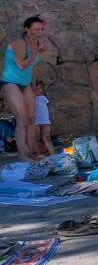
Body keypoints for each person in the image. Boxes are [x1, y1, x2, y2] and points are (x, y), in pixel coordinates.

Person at [2, 16, 47, 162]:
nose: (39, 32)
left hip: (25, 84)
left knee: (31, 118)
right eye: (36, 29)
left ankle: (31, 151)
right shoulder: (19, 43)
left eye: (41, 29)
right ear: (27, 30)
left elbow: (32, 67)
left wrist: (33, 87)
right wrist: (35, 51)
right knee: (21, 119)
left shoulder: (35, 43)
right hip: (10, 82)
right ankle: (22, 155)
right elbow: (21, 65)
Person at [31, 79, 54, 156]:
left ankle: (53, 154)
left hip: (45, 121)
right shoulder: (31, 98)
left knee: (47, 138)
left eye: (41, 88)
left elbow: (47, 108)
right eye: (37, 88)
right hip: (36, 121)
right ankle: (39, 154)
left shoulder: (43, 98)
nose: (40, 90)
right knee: (36, 139)